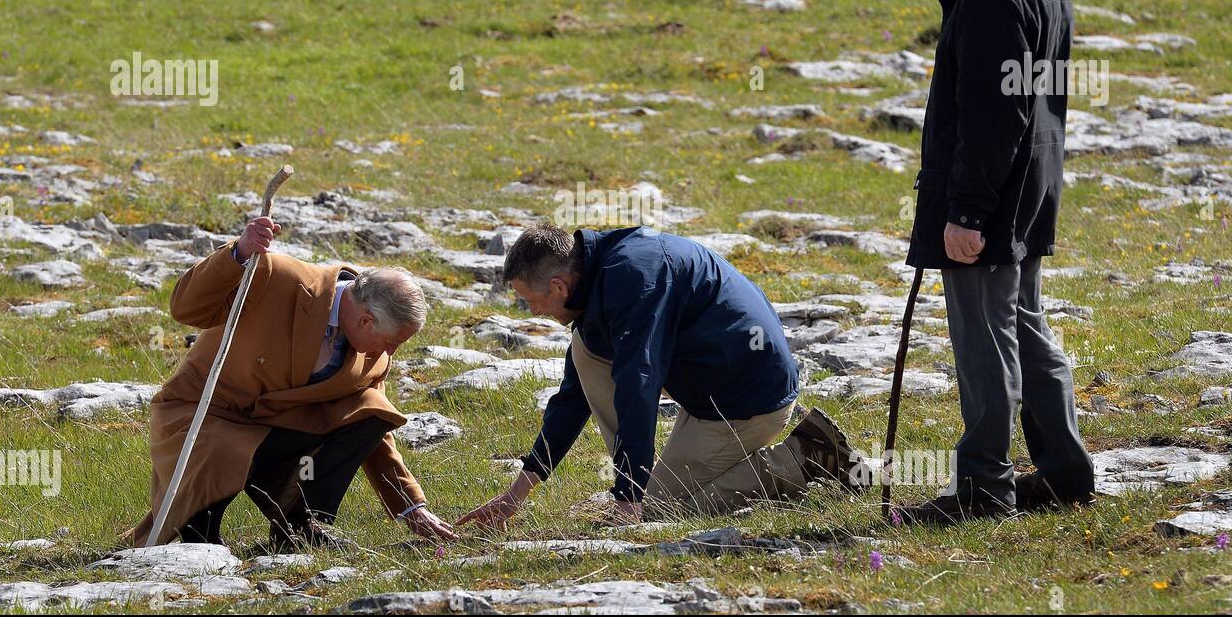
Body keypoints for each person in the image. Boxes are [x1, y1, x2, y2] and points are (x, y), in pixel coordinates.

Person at [897, 0, 1095, 526]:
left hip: (993, 195)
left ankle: (985, 488)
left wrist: (964, 212)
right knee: (1026, 327)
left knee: (985, 340)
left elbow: (991, 115)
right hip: (1032, 184)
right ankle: (1066, 470)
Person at [458, 224, 864, 529]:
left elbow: (640, 382)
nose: (533, 313)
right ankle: (632, 480)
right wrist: (516, 494)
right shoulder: (598, 273)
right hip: (708, 392)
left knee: (660, 509)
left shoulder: (634, 277)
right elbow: (572, 397)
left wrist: (631, 498)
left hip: (749, 403)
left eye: (532, 301)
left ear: (559, 285)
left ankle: (806, 456)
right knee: (585, 350)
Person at [127, 215, 456, 549]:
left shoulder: (373, 357)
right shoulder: (274, 275)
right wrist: (238, 254)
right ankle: (198, 531)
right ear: (365, 319)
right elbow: (185, 307)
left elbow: (376, 433)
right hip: (206, 415)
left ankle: (299, 525)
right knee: (220, 451)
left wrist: (410, 505)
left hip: (275, 432)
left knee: (372, 410)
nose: (391, 352)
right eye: (391, 341)